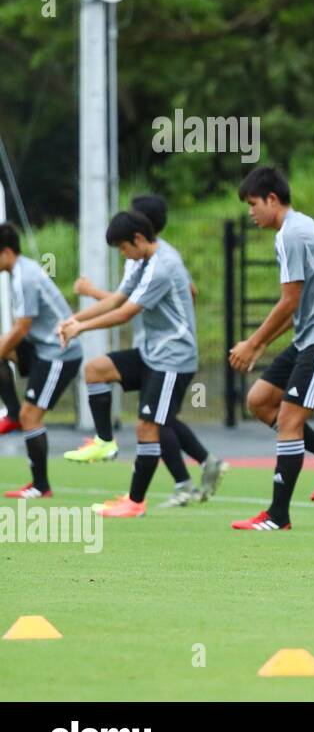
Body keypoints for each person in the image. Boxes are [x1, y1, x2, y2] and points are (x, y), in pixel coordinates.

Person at [66, 193, 227, 504]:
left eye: (124, 248)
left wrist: (82, 326)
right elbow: (117, 300)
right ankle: (105, 442)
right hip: (152, 352)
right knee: (96, 370)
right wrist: (73, 320)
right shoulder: (146, 260)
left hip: (171, 358)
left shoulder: (161, 265)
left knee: (150, 425)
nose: (124, 255)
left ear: (139, 234)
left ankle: (145, 498)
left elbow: (125, 311)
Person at [228, 166, 314, 531]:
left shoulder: (291, 234)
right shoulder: (296, 227)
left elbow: (288, 301)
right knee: (259, 400)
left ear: (272, 199)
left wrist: (253, 343)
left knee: (287, 419)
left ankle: (277, 516)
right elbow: (296, 302)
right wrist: (260, 345)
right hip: (311, 338)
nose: (251, 212)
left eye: (253, 204)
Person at [0, 223, 82, 499]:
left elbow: (22, 328)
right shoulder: (20, 270)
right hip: (41, 348)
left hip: (59, 354)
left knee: (31, 416)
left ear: (7, 252)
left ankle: (40, 486)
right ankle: (12, 414)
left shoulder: (24, 277)